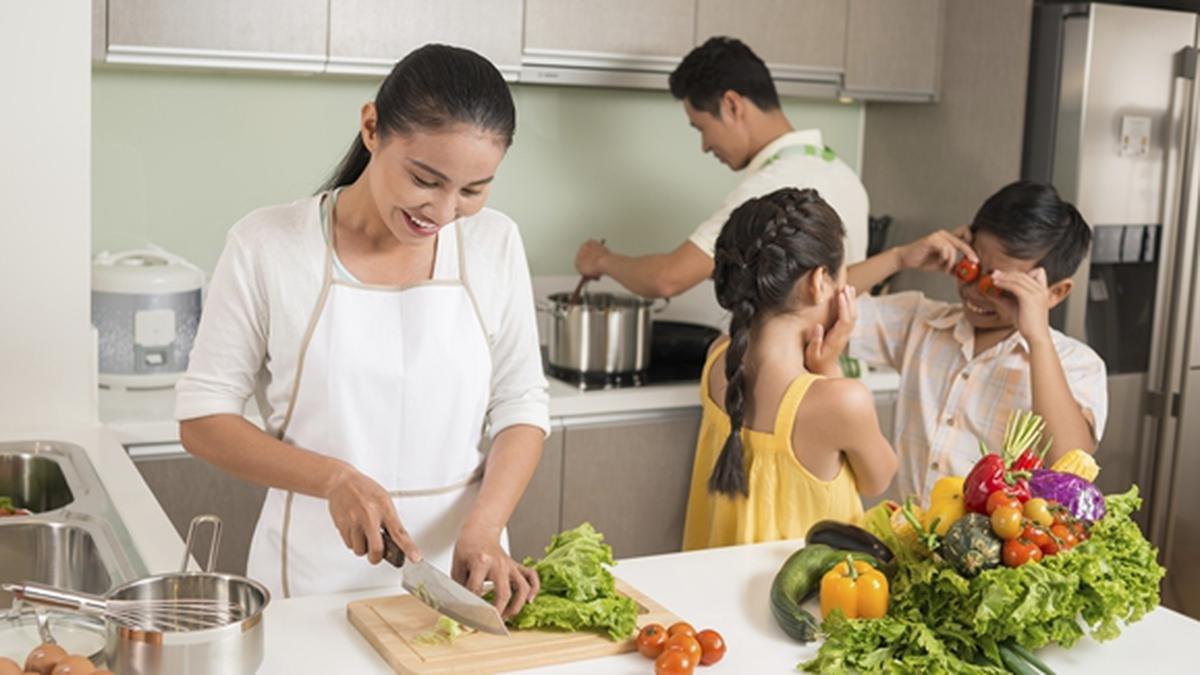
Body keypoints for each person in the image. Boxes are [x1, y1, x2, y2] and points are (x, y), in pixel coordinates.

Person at [175, 45, 548, 617]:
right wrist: (332, 478)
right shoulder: (268, 246)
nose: (444, 213)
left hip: (458, 584)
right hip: (309, 587)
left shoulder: (495, 244)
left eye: (472, 190)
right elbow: (203, 420)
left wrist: (488, 525)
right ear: (372, 128)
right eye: (425, 179)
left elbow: (522, 403)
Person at [842, 180, 1106, 502]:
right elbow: (814, 307)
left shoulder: (1076, 364)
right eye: (971, 271)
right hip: (908, 540)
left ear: (1055, 293)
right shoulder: (920, 324)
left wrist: (1037, 338)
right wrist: (898, 258)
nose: (976, 292)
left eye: (1001, 288)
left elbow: (1071, 470)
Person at [682, 188, 897, 550]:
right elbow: (880, 479)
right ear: (818, 283)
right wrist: (830, 365)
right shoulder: (841, 400)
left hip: (710, 594)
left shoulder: (719, 357)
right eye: (843, 281)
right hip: (801, 602)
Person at [574, 36, 869, 299]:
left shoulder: (774, 187)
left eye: (701, 127)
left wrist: (601, 260)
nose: (704, 146)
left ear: (731, 105)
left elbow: (667, 279)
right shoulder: (841, 172)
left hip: (790, 360)